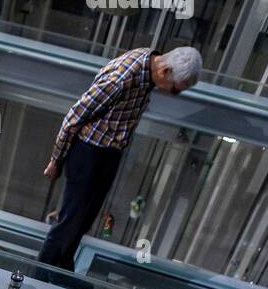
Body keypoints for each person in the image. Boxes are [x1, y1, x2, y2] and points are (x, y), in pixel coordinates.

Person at [37, 47, 202, 274]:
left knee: (86, 218)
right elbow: (74, 118)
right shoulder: (121, 78)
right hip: (89, 151)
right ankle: (41, 274)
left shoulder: (150, 68)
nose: (171, 93)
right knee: (71, 218)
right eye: (174, 90)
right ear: (165, 71)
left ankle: (64, 267)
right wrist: (56, 160)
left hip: (110, 152)